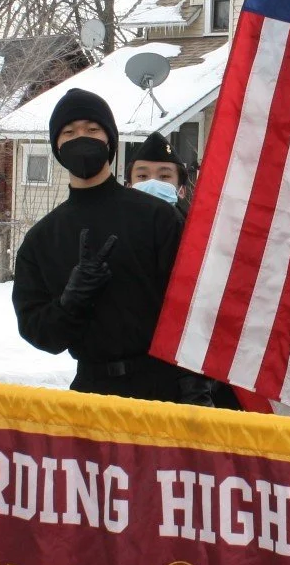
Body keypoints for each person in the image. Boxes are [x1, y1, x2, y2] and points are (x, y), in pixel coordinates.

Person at [12, 90, 209, 403]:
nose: (81, 137)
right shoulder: (42, 239)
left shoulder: (157, 216)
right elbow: (40, 333)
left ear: (110, 141)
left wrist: (196, 388)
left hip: (164, 391)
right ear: (57, 146)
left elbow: (193, 305)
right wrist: (69, 302)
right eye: (69, 132)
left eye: (92, 130)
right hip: (92, 395)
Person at [126, 131, 191, 212]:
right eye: (142, 176)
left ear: (181, 190)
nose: (152, 183)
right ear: (129, 188)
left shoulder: (193, 224)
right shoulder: (112, 224)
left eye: (164, 176)